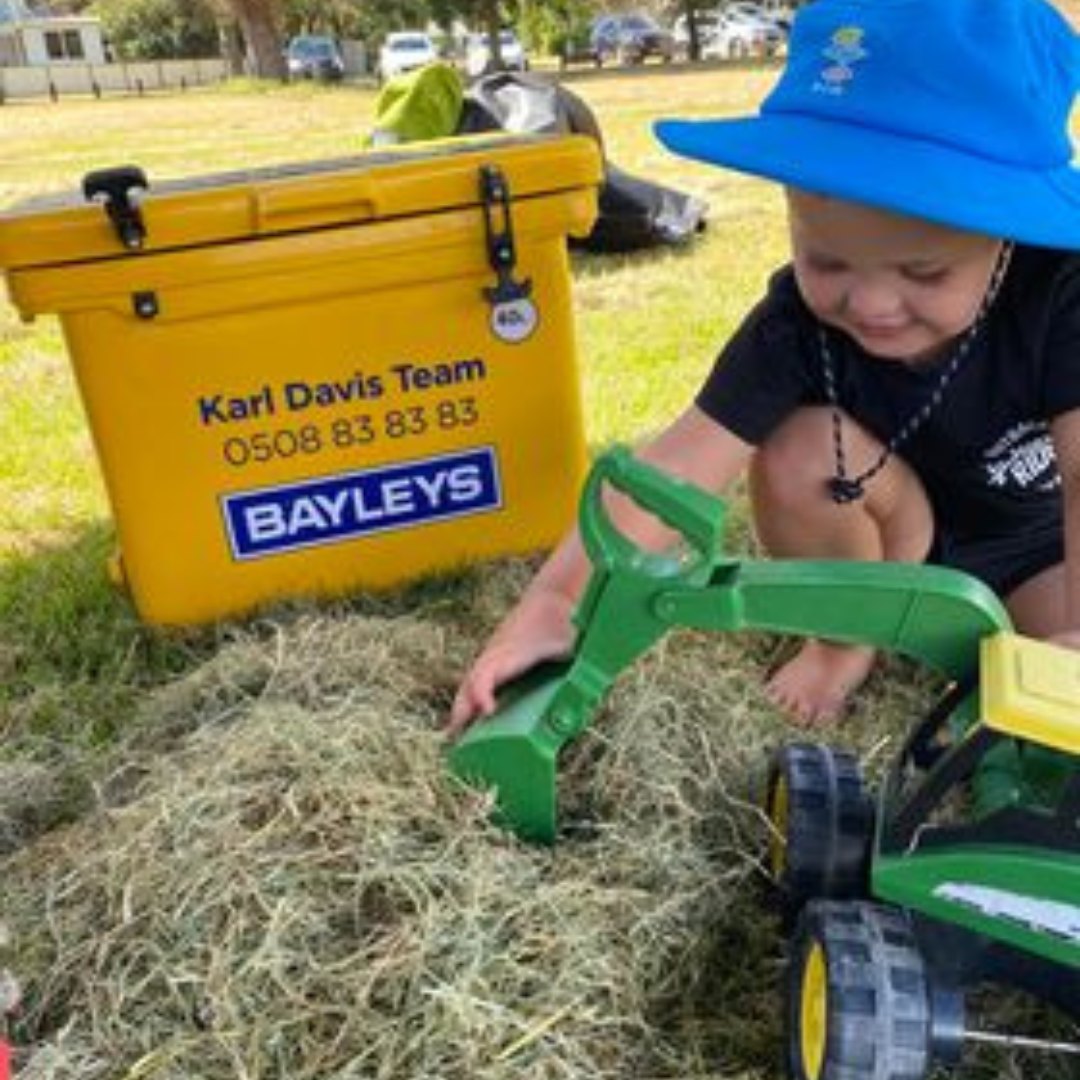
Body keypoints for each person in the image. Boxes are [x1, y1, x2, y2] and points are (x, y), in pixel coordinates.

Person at [449, 0, 1080, 733]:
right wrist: (553, 604)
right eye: (827, 260)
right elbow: (676, 471)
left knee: (1051, 686)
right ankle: (844, 642)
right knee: (797, 449)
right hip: (887, 543)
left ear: (1007, 236)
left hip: (1034, 550)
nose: (872, 303)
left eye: (925, 272)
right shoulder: (792, 328)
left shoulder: (1060, 293)